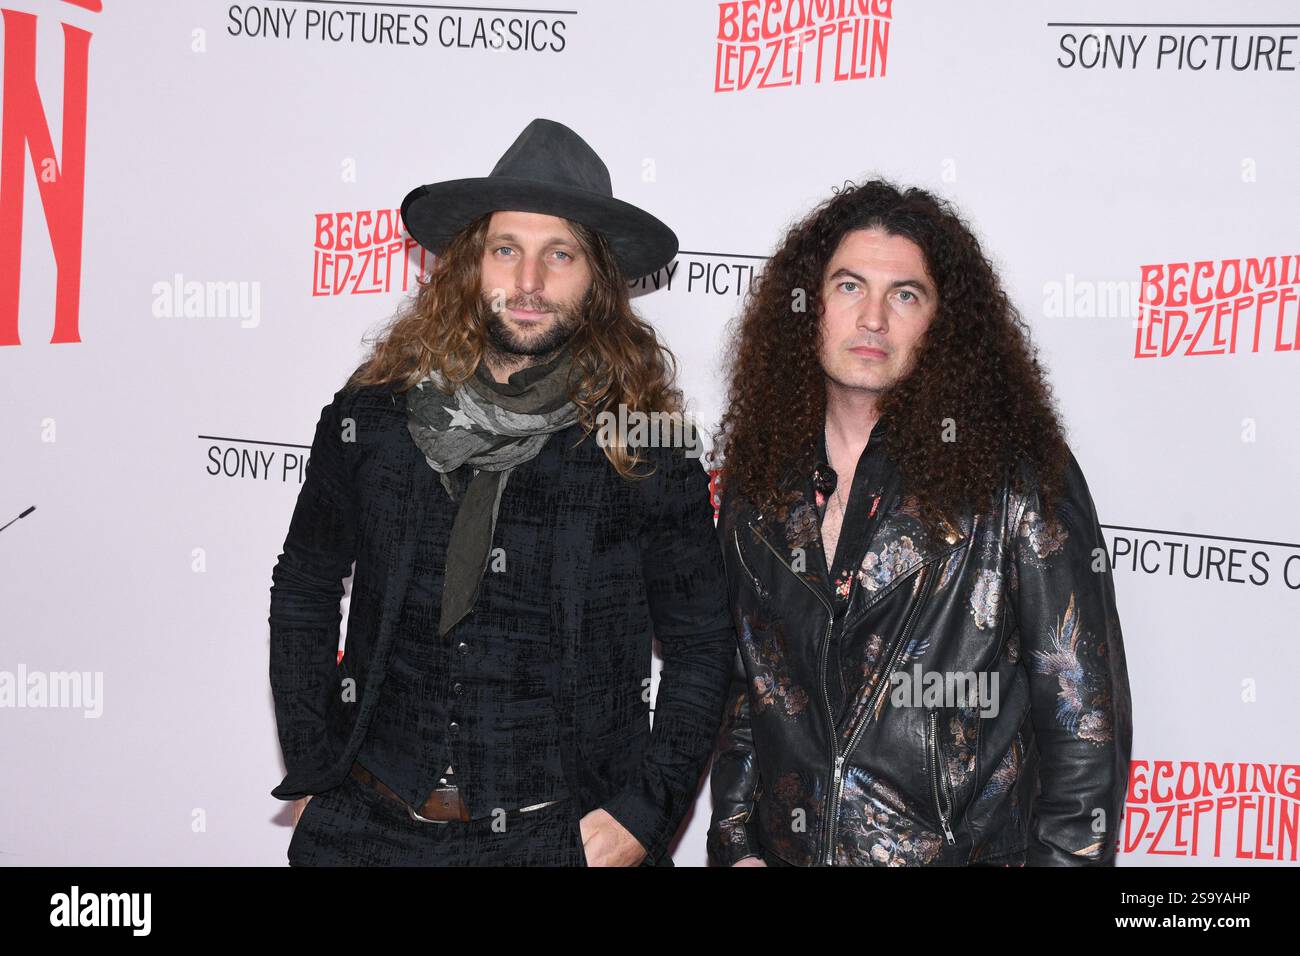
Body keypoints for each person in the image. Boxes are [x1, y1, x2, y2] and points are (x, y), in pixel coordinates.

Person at [269, 118, 733, 866]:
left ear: (599, 279)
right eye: (506, 250)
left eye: (561, 255)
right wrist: (315, 756)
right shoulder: (375, 414)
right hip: (368, 825)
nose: (528, 282)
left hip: (559, 838)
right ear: (470, 265)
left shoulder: (643, 443)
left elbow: (702, 641)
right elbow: (305, 583)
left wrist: (643, 816)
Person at [706, 179, 1133, 866]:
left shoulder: (1018, 480)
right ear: (808, 307)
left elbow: (1084, 729)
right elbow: (750, 689)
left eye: (905, 295)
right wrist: (736, 843)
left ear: (941, 323)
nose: (872, 318)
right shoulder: (761, 480)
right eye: (849, 287)